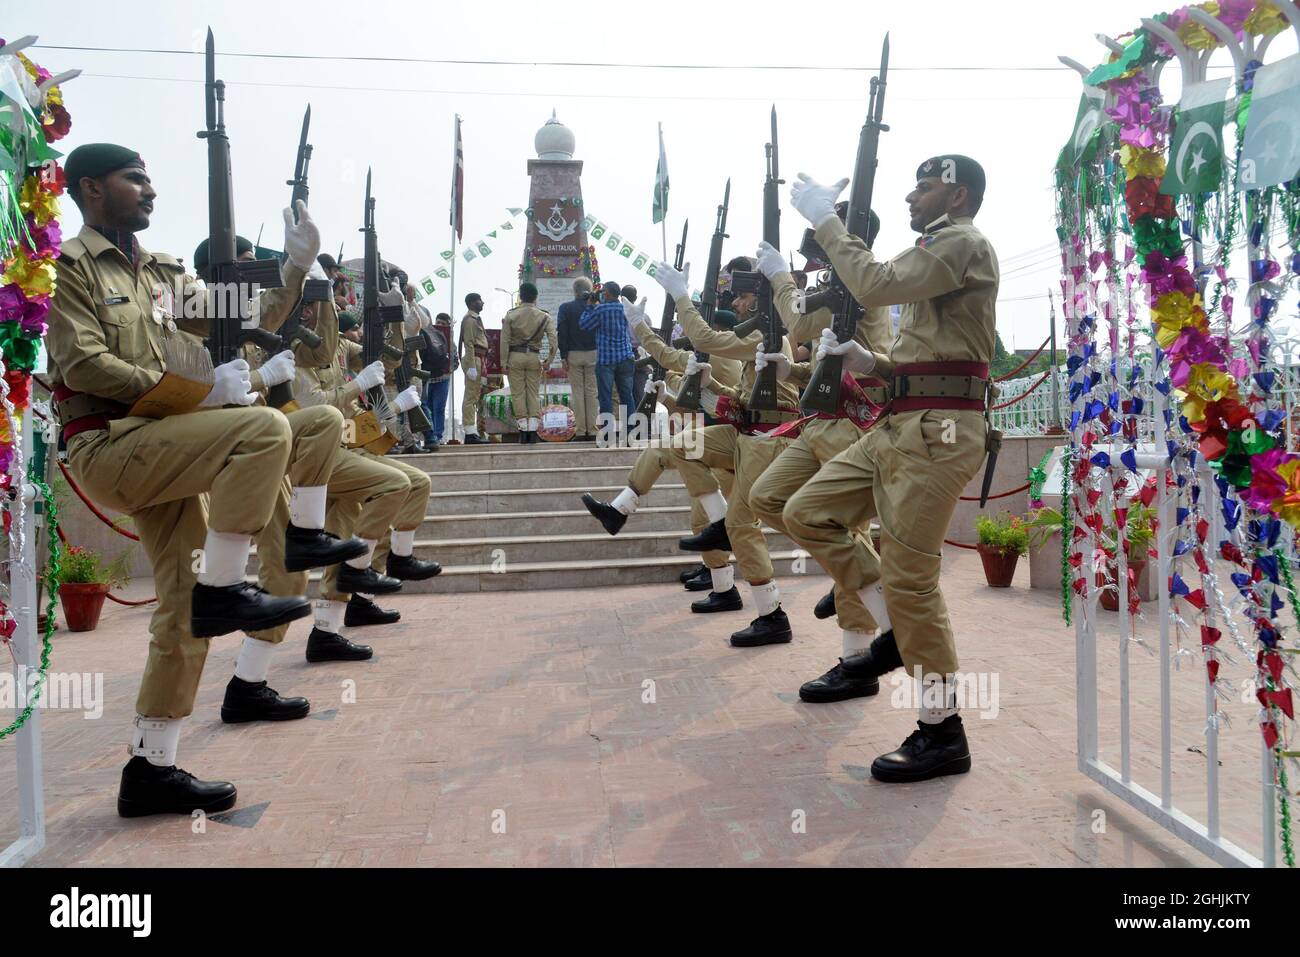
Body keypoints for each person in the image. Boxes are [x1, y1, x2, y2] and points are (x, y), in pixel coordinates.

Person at [47, 143, 351, 817]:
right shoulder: (65, 269)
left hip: (162, 441)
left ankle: (152, 765)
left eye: (152, 179)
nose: (150, 190)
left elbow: (240, 319)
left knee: (181, 609)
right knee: (263, 429)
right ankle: (234, 583)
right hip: (110, 442)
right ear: (92, 189)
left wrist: (295, 269)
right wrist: (192, 393)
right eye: (136, 179)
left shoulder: (158, 271)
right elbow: (83, 362)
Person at [781, 156, 997, 783]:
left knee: (913, 581)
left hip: (937, 432)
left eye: (924, 187)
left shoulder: (961, 242)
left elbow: (871, 283)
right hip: (899, 422)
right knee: (806, 512)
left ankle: (942, 730)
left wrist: (825, 219)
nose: (910, 194)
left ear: (956, 195)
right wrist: (867, 360)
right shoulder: (937, 249)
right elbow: (924, 354)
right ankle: (898, 631)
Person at [747, 210, 894, 701]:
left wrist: (781, 279)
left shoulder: (858, 277)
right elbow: (823, 356)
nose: (815, 251)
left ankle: (858, 663)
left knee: (842, 529)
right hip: (820, 422)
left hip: (851, 421)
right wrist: (792, 370)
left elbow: (799, 318)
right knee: (765, 497)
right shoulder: (841, 281)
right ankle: (846, 565)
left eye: (821, 242)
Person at [651, 256, 803, 647]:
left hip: (766, 439)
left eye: (742, 296)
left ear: (759, 298)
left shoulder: (765, 336)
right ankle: (720, 526)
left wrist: (682, 296)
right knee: (682, 446)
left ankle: (773, 616)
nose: (736, 304)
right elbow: (746, 397)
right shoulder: (760, 336)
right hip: (748, 432)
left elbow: (704, 340)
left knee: (744, 526)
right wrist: (712, 386)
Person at [578, 281, 635, 444]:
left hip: (606, 360)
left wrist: (589, 305)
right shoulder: (625, 308)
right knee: (627, 396)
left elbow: (584, 324)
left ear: (608, 293)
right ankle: (631, 431)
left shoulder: (600, 309)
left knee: (605, 397)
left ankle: (608, 434)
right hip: (625, 357)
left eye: (603, 291)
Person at [557, 276, 599, 441]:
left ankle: (581, 431)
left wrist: (563, 355)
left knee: (578, 393)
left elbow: (562, 333)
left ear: (574, 291)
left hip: (573, 354)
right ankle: (593, 430)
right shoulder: (596, 307)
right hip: (594, 353)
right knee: (592, 393)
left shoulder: (565, 308)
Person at [419, 312, 454, 448]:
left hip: (443, 378)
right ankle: (429, 435)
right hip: (428, 378)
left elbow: (454, 358)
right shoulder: (427, 335)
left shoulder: (449, 340)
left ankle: (438, 435)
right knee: (426, 407)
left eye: (443, 324)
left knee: (439, 408)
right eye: (438, 322)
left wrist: (449, 367)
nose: (440, 325)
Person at [458, 292, 489, 443]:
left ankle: (473, 431)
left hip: (479, 359)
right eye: (479, 300)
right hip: (474, 359)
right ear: (472, 303)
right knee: (470, 396)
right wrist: (471, 366)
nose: (482, 303)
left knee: (475, 395)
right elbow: (468, 343)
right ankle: (470, 432)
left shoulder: (475, 319)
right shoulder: (470, 320)